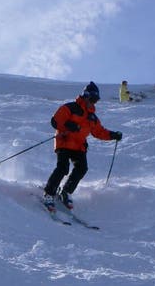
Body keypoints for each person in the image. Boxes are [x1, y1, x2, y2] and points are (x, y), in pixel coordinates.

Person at [43, 82, 122, 211]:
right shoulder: (71, 108)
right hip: (64, 141)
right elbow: (55, 120)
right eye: (92, 99)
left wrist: (113, 135)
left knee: (82, 168)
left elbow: (99, 132)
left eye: (96, 100)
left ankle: (66, 191)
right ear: (85, 96)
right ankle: (49, 193)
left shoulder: (92, 117)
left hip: (79, 146)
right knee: (63, 168)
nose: (93, 103)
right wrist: (69, 125)